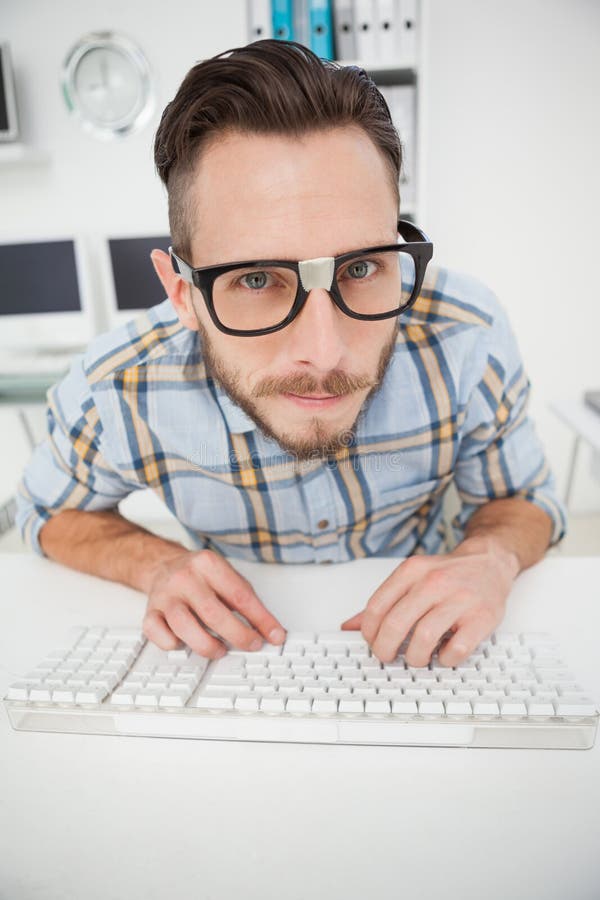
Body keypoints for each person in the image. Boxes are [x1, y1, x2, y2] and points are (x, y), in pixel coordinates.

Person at [15, 39, 566, 669]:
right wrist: (156, 562)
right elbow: (44, 509)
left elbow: (525, 500)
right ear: (182, 294)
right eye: (255, 279)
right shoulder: (119, 386)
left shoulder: (466, 335)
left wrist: (488, 558)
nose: (324, 352)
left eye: (361, 266)